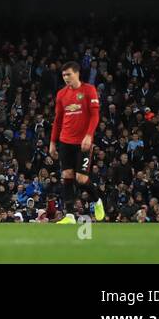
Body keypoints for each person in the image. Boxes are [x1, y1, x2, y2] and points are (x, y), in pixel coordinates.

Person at [49, 61, 105, 224]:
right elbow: (58, 120)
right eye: (64, 75)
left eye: (69, 74)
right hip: (65, 140)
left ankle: (97, 200)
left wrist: (89, 136)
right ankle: (70, 215)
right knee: (67, 175)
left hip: (83, 143)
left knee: (81, 179)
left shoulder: (89, 90)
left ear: (77, 73)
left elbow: (95, 116)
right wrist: (52, 142)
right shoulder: (61, 94)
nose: (66, 78)